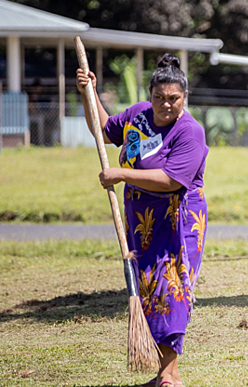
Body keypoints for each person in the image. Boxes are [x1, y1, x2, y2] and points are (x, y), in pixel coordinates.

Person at [77, 54, 209, 387]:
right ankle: (165, 373)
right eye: (159, 97)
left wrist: (121, 174)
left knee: (171, 287)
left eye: (174, 99)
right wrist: (88, 92)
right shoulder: (138, 115)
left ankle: (170, 375)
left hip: (177, 218)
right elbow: (104, 131)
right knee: (149, 288)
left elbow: (170, 181)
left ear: (185, 97)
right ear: (150, 94)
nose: (166, 104)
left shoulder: (190, 132)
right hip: (142, 220)